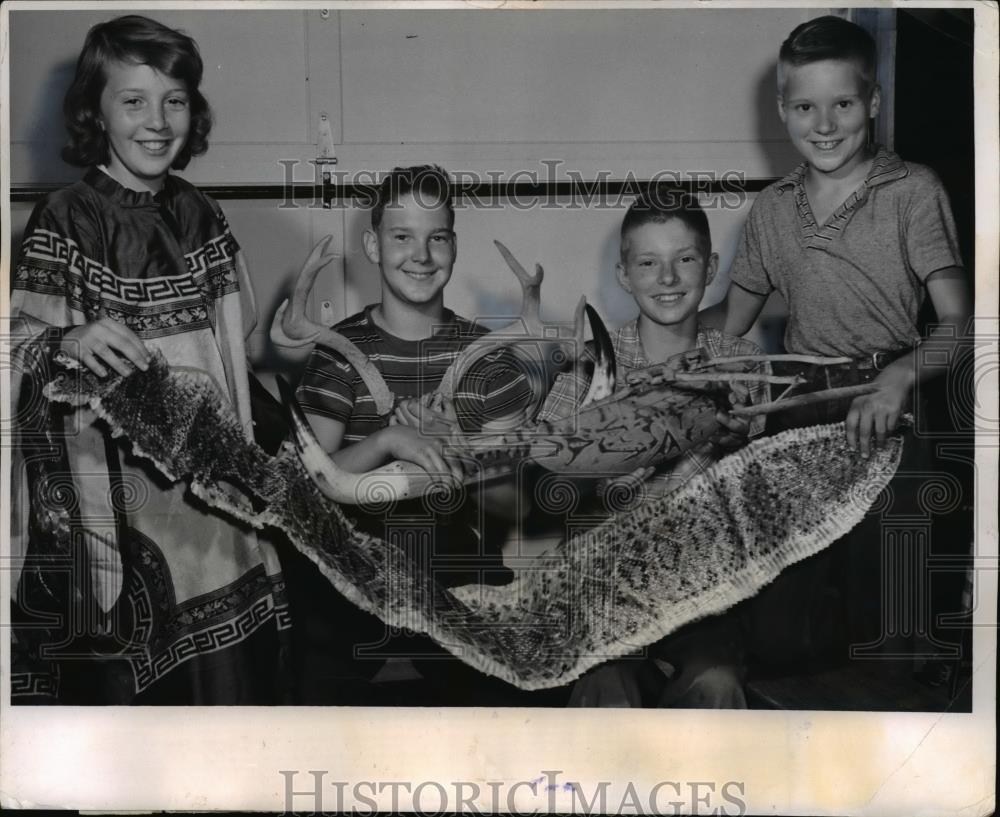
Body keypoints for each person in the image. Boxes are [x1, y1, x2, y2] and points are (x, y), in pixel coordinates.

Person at [10, 15, 290, 704]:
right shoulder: (64, 217)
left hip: (216, 520)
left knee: (233, 727)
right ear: (94, 111)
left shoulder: (203, 214)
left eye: (175, 99)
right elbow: (14, 344)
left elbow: (233, 360)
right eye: (132, 100)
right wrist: (62, 341)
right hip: (118, 523)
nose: (157, 120)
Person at [702, 16, 972, 666]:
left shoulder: (913, 192)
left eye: (843, 104)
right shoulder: (772, 208)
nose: (824, 124)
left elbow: (961, 326)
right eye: (805, 107)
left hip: (883, 412)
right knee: (784, 628)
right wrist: (631, 331)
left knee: (886, 621)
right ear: (783, 110)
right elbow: (728, 324)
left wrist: (901, 375)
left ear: (872, 102)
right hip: (795, 415)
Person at [285, 164, 540, 705]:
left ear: (453, 245)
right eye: (402, 237)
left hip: (459, 578)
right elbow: (301, 494)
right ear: (374, 245)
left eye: (436, 238)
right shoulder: (336, 355)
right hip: (347, 585)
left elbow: (511, 507)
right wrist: (387, 443)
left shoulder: (491, 362)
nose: (421, 256)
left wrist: (456, 449)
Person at [536, 188, 768, 708]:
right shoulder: (591, 366)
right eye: (648, 263)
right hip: (608, 584)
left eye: (684, 260)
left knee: (717, 683)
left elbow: (763, 486)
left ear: (709, 268)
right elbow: (544, 478)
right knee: (603, 685)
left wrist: (736, 445)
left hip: (708, 593)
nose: (667, 280)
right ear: (625, 275)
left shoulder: (743, 361)